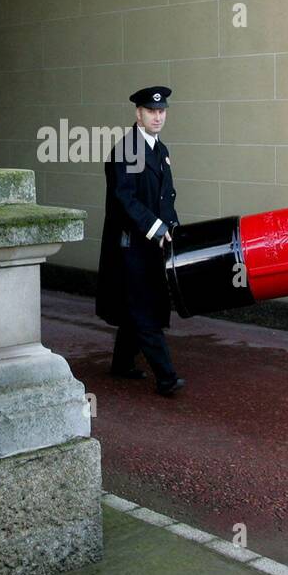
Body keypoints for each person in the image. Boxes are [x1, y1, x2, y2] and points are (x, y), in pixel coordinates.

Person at [96, 87, 184, 396]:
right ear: (138, 114)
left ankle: (121, 363)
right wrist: (158, 229)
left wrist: (172, 227)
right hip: (130, 246)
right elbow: (125, 200)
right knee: (146, 310)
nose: (158, 116)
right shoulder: (127, 150)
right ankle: (167, 377)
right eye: (151, 111)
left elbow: (166, 198)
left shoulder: (160, 150)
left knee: (136, 305)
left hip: (152, 244)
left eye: (161, 111)